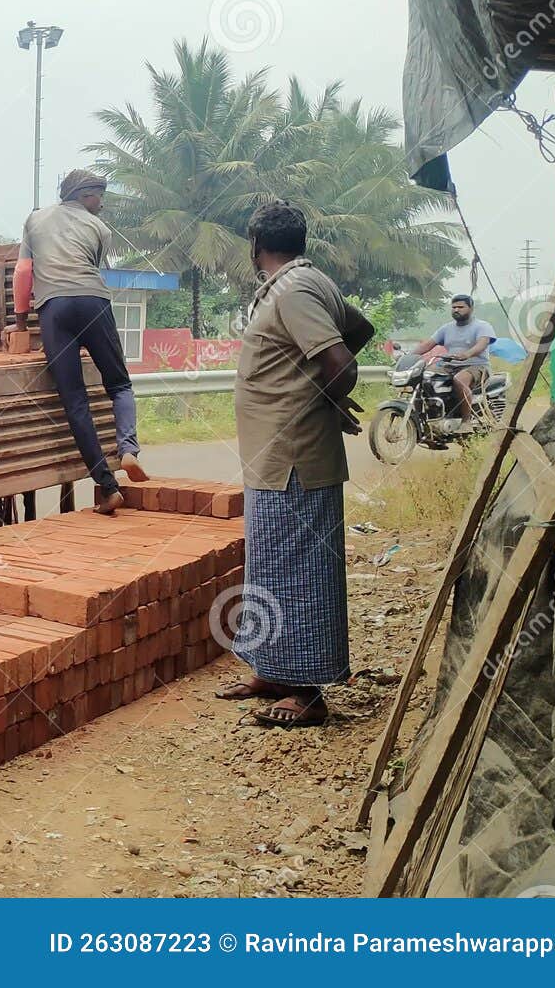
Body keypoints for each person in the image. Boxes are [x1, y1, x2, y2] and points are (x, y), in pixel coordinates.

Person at [217, 201, 362, 728]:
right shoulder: (307, 282)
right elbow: (358, 327)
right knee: (270, 569)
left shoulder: (295, 289)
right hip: (275, 461)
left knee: (300, 573)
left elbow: (341, 362)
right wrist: (315, 388)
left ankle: (306, 693)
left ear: (255, 245)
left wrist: (322, 395)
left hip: (293, 460)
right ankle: (271, 671)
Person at [13, 169, 147, 515]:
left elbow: (25, 272)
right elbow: (88, 269)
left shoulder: (35, 219)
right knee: (118, 383)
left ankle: (107, 485)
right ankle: (128, 448)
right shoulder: (100, 229)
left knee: (75, 401)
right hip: (94, 302)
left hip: (53, 309)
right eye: (98, 196)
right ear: (83, 195)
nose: (101, 203)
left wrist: (20, 322)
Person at [415, 294, 495, 426]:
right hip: (451, 365)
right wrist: (408, 356)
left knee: (459, 380)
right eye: (454, 307)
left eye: (461, 307)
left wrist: (467, 354)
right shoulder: (446, 328)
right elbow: (427, 344)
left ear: (471, 308)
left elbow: (482, 344)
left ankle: (466, 422)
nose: (456, 310)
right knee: (422, 376)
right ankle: (424, 417)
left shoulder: (482, 326)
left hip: (477, 366)